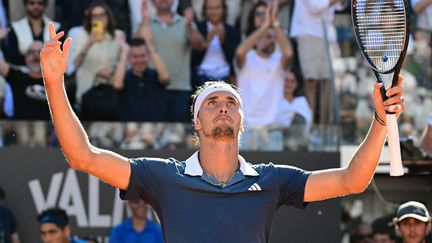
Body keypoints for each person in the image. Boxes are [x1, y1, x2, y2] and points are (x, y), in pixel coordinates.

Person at [41, 22, 406, 242]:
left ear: (242, 121)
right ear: (197, 123)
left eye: (231, 103)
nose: (223, 107)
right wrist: (54, 83)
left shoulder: (272, 180)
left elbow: (352, 181)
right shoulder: (163, 176)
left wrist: (378, 121)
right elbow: (82, 156)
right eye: (212, 102)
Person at [235, 0, 292, 151]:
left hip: (272, 132)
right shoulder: (248, 58)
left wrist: (275, 24)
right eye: (265, 36)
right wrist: (265, 25)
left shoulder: (278, 61)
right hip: (246, 131)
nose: (269, 38)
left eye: (271, 37)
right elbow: (239, 52)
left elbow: (288, 53)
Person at [136, 0, 206, 122]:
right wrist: (145, 21)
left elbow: (200, 46)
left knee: (177, 136)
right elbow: (135, 47)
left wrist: (189, 26)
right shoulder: (145, 22)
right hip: (152, 88)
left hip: (180, 89)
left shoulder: (185, 22)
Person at [112, 33, 170, 121]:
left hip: (155, 129)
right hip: (129, 130)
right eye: (135, 56)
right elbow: (117, 85)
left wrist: (150, 47)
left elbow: (166, 78)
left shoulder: (156, 75)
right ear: (129, 58)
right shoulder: (124, 77)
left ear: (148, 56)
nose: (139, 60)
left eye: (143, 56)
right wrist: (124, 52)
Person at [191, 0, 241, 88]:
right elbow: (192, 57)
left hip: (225, 78)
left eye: (217, 8)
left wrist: (223, 41)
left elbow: (235, 59)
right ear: (205, 10)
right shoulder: (198, 28)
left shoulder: (232, 31)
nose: (214, 12)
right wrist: (206, 42)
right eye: (210, 8)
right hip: (201, 78)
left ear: (223, 10)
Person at [0, 41, 51, 120]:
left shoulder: (55, 82)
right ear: (25, 57)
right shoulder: (17, 77)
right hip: (20, 130)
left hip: (47, 130)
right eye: (32, 52)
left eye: (40, 52)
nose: (36, 55)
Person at [3, 0, 62, 66]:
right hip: (22, 72)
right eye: (32, 3)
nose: (36, 6)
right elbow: (12, 56)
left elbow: (60, 55)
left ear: (45, 5)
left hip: (50, 72)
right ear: (25, 5)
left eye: (40, 3)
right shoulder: (15, 28)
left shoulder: (56, 28)